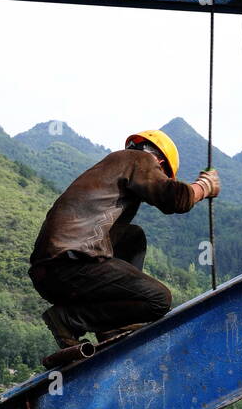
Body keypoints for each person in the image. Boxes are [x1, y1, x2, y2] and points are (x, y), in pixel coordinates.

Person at [29, 129, 220, 349]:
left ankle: (109, 326)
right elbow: (174, 198)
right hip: (72, 263)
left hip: (50, 273)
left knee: (132, 236)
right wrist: (205, 186)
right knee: (158, 300)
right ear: (159, 161)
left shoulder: (111, 168)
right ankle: (68, 320)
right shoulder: (140, 159)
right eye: (161, 172)